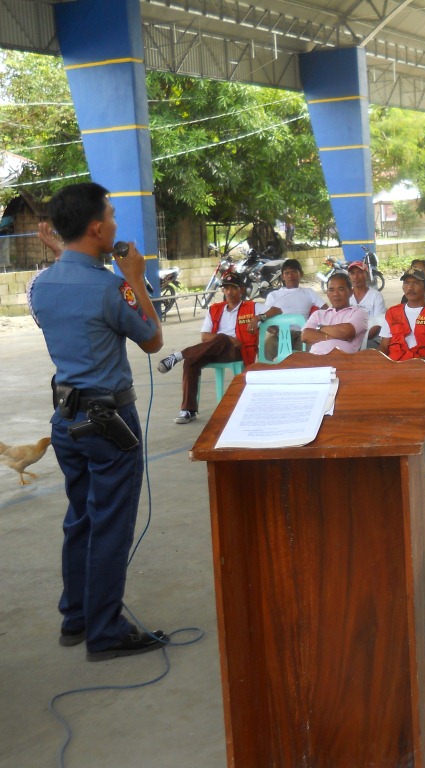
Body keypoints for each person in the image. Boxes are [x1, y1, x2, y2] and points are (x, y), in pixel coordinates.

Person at [30, 182, 167, 661]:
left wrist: (69, 256)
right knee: (110, 523)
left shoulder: (41, 286)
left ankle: (77, 617)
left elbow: (68, 289)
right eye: (110, 215)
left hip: (66, 418)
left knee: (81, 516)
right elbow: (152, 339)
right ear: (95, 228)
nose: (115, 223)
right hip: (109, 420)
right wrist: (134, 278)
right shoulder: (113, 289)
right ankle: (107, 632)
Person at [159, 272, 258, 424]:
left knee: (221, 339)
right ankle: (188, 410)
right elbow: (205, 336)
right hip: (216, 348)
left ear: (242, 290)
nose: (229, 292)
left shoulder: (251, 307)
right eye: (226, 288)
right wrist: (229, 339)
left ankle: (178, 355)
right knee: (191, 361)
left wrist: (259, 317)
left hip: (237, 352)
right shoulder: (215, 309)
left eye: (233, 288)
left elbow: (276, 310)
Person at [249, 258, 324, 359]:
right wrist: (275, 331)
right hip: (279, 334)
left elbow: (326, 310)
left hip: (302, 333)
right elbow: (265, 320)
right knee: (266, 348)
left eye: (294, 272)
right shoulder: (273, 295)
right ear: (282, 276)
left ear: (301, 274)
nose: (290, 275)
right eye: (287, 273)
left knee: (311, 353)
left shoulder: (309, 292)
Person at [380, 267, 425, 367]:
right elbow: (384, 346)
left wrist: (416, 364)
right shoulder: (392, 312)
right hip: (394, 366)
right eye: (406, 283)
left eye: (416, 283)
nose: (410, 287)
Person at [301, 271, 368, 354]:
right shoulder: (318, 314)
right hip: (315, 360)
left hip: (343, 362)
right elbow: (305, 336)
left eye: (341, 289)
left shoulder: (359, 313)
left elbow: (345, 332)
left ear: (350, 292)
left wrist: (319, 328)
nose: (335, 294)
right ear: (327, 293)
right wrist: (331, 336)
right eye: (331, 290)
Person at [347, 260, 385, 345]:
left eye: (359, 272)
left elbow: (377, 325)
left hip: (371, 339)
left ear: (367, 275)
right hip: (348, 338)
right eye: (352, 273)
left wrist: (359, 340)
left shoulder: (376, 296)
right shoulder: (345, 295)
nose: (355, 276)